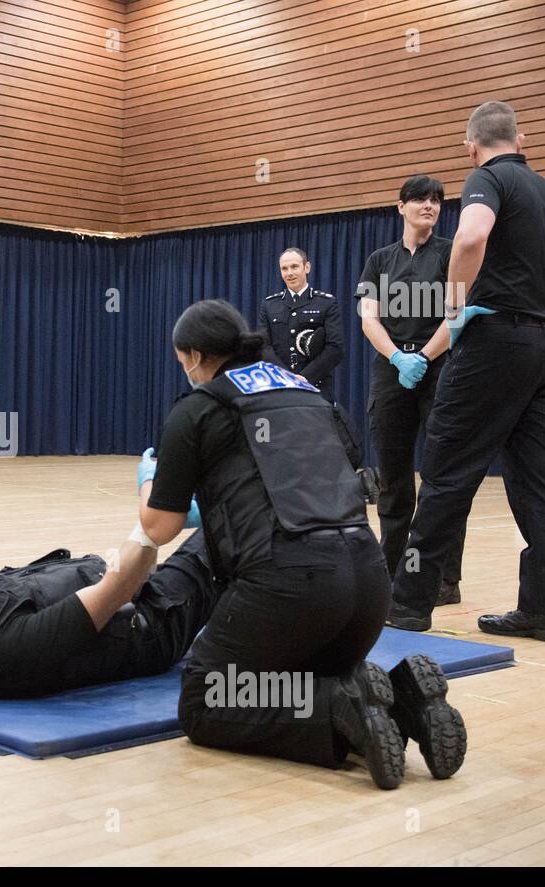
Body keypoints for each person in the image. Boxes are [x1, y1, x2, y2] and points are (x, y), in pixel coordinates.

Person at [144, 299, 463, 789]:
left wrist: (148, 484)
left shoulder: (200, 408)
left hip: (293, 586)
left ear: (191, 356)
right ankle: (402, 700)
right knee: (303, 672)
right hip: (368, 580)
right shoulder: (309, 392)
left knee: (206, 699)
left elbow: (160, 528)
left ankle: (339, 713)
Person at [387, 102, 545, 643]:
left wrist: (455, 305)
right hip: (542, 349)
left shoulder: (486, 179)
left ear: (471, 145)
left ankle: (408, 606)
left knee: (446, 471)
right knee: (539, 479)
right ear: (520, 139)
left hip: (493, 348)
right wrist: (544, 318)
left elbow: (469, 238)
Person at [0, 530, 214, 705]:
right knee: (225, 533)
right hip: (153, 619)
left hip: (125, 586)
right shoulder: (7, 653)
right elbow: (117, 590)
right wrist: (151, 520)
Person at [356, 175, 467, 606]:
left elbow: (457, 315)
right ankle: (391, 569)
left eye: (437, 200)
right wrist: (398, 358)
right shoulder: (379, 260)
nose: (430, 205)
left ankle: (443, 578)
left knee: (443, 479)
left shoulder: (450, 254)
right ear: (400, 206)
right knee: (394, 480)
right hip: (391, 375)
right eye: (420, 199)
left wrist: (423, 356)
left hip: (439, 372)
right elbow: (369, 318)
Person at [257, 248, 343, 400]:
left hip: (316, 386)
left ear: (307, 267)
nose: (289, 273)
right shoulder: (269, 305)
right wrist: (286, 378)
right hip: (280, 388)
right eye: (284, 268)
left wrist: (304, 377)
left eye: (294, 267)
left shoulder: (326, 303)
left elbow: (335, 348)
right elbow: (264, 347)